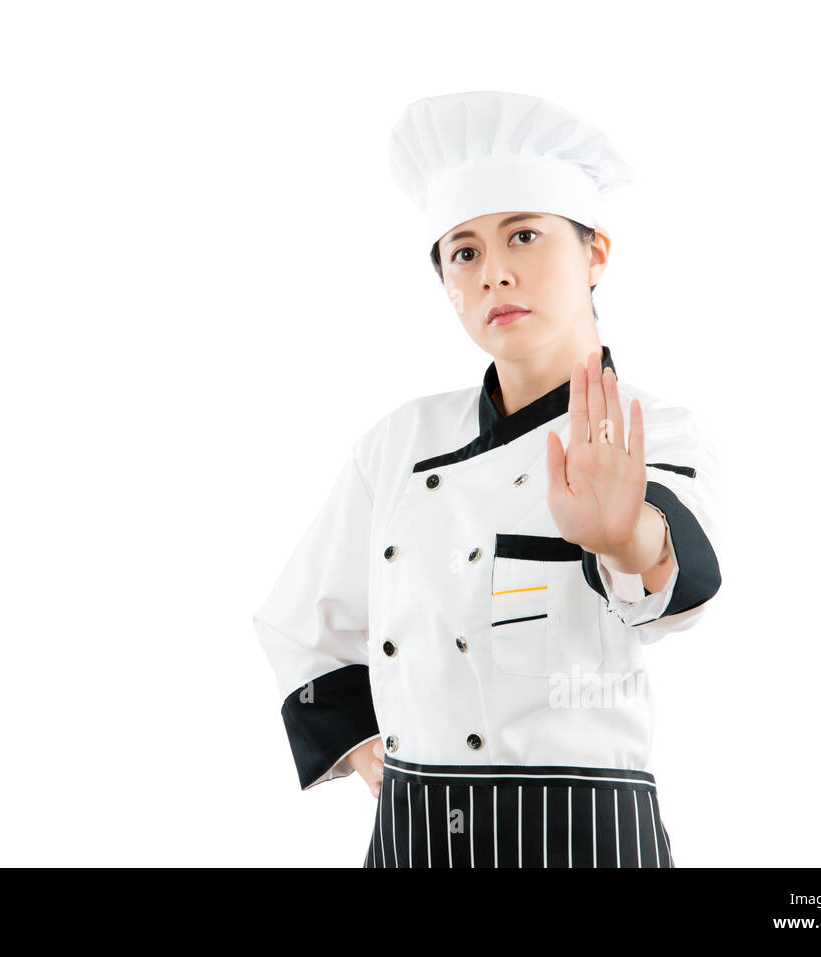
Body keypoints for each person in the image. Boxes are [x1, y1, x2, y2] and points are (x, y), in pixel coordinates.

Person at [251, 91, 723, 867]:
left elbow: (681, 581)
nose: (495, 273)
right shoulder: (400, 440)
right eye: (464, 251)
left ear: (597, 252)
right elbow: (302, 615)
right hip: (413, 832)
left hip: (582, 833)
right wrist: (358, 741)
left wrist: (628, 534)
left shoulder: (652, 427)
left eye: (525, 236)